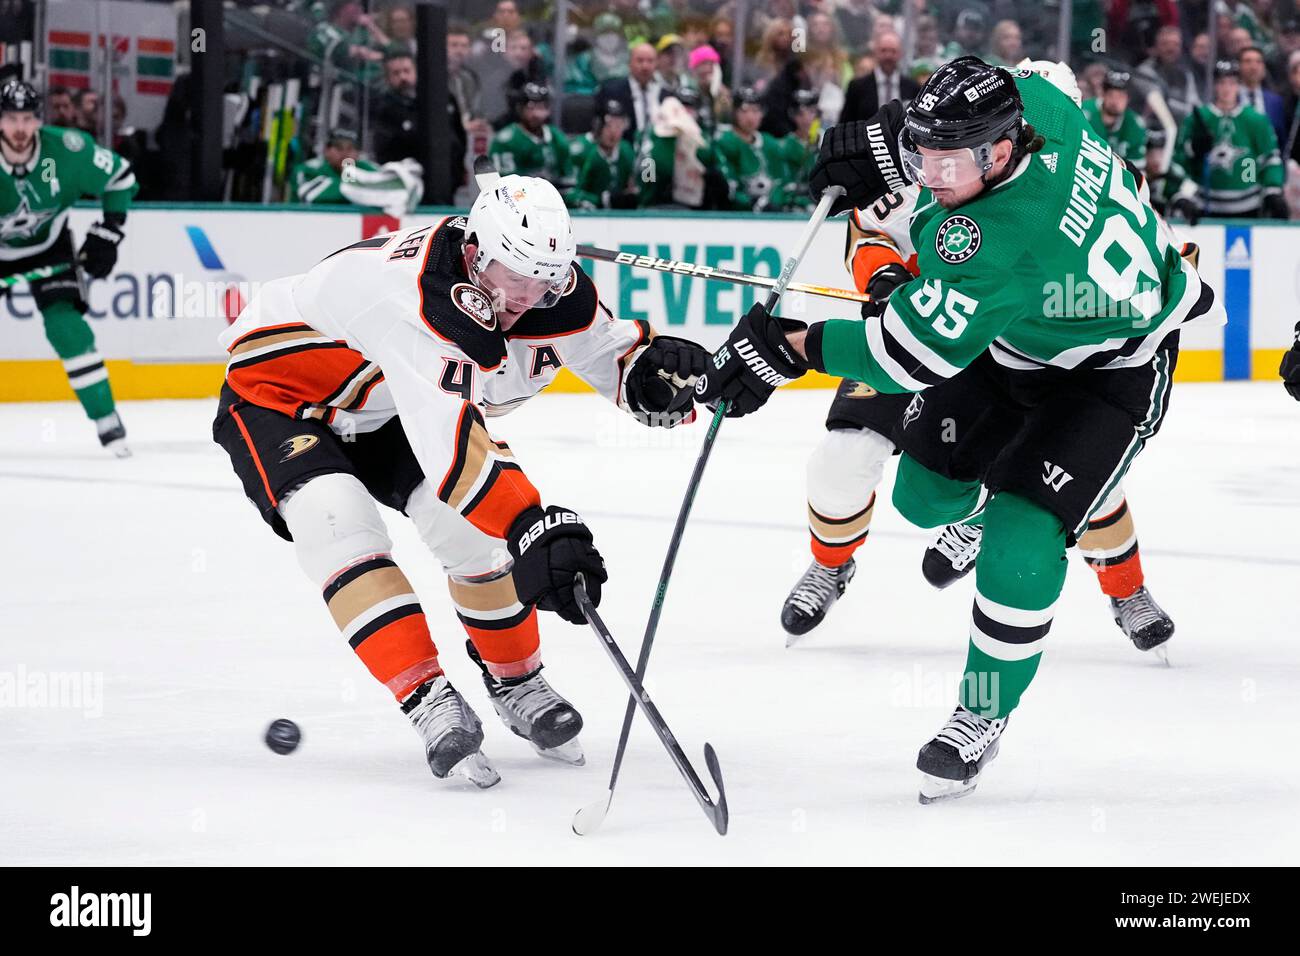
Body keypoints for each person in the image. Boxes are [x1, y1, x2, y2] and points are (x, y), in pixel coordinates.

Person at [700, 58, 1223, 802]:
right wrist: (885, 143)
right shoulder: (1038, 105)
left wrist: (789, 348)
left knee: (1021, 534)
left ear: (1002, 152)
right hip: (1016, 338)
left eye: (947, 160)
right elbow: (992, 84)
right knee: (922, 498)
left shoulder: (995, 239)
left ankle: (980, 714)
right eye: (923, 154)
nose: (929, 173)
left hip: (1112, 370)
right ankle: (977, 511)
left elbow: (900, 355)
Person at [212, 175, 708, 786]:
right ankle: (426, 697)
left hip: (386, 401)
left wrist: (651, 376)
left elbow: (606, 352)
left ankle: (517, 680)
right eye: (516, 277)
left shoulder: (544, 289)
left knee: (473, 538)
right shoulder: (414, 299)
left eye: (544, 279)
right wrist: (534, 524)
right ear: (474, 251)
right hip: (279, 400)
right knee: (336, 523)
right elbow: (454, 453)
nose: (529, 296)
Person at [780, 62, 1179, 656]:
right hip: (915, 324)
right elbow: (868, 230)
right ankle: (830, 563)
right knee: (842, 459)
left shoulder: (1079, 170)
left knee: (1069, 474)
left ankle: (1122, 584)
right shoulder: (930, 143)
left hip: (995, 339)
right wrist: (887, 275)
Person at [0, 80, 137, 455]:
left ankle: (108, 422)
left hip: (49, 246)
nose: (20, 128)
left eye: (27, 118)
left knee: (67, 328)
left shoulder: (65, 150)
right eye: (11, 118)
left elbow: (121, 177)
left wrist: (109, 231)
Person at [1166, 60, 1286, 220]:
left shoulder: (1255, 120)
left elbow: (1270, 158)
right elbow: (1180, 159)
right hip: (1204, 203)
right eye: (1222, 83)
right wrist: (1181, 194)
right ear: (1215, 85)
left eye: (1232, 83)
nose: (1227, 88)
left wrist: (1272, 190)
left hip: (1249, 204)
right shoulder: (1198, 118)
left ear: (1239, 86)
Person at [291, 128, 423, 214]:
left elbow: (389, 183)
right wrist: (364, 186)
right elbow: (311, 195)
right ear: (326, 151)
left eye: (350, 148)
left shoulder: (364, 167)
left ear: (358, 153)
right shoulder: (309, 169)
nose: (344, 153)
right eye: (338, 147)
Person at [715, 87, 798, 212]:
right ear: (734, 112)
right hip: (737, 216)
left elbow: (782, 182)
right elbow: (729, 187)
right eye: (744, 111)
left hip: (773, 215)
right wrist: (754, 204)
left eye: (755, 111)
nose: (750, 117)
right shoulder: (725, 141)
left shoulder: (770, 143)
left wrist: (777, 202)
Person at [489, 83, 570, 187]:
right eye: (530, 108)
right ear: (520, 109)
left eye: (541, 107)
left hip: (552, 196)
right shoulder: (505, 141)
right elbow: (503, 182)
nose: (536, 114)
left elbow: (568, 177)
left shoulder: (557, 138)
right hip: (518, 198)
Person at [566, 99, 638, 209]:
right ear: (597, 125)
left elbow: (632, 187)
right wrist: (600, 200)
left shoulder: (626, 149)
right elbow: (569, 192)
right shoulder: (580, 149)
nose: (613, 132)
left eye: (618, 125)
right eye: (608, 125)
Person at [840, 32, 918, 125]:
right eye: (883, 50)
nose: (888, 56)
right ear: (875, 53)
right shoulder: (857, 87)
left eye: (893, 51)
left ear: (900, 54)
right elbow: (845, 123)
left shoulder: (913, 88)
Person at [597, 43, 661, 151]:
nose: (645, 66)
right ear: (629, 63)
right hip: (624, 155)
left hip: (656, 158)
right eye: (640, 60)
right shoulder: (611, 91)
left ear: (656, 64)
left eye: (650, 61)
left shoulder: (666, 95)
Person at [1082, 70, 1149, 172]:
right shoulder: (1084, 112)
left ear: (1128, 99)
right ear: (1103, 94)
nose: (1115, 101)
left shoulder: (1136, 126)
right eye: (1111, 94)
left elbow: (1137, 172)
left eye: (1121, 96)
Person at [1137, 25, 1201, 126]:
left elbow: (1195, 106)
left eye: (1175, 44)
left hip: (1179, 128)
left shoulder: (1185, 74)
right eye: (1165, 44)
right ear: (1156, 47)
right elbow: (1159, 105)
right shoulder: (1144, 72)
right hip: (1148, 129)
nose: (1171, 49)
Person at [566, 12, 630, 95]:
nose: (610, 37)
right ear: (596, 35)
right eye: (604, 32)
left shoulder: (627, 58)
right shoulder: (584, 59)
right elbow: (574, 86)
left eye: (614, 32)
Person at [1238, 45, 1289, 145]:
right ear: (1239, 66)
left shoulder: (1276, 102)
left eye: (1258, 62)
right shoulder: (1229, 98)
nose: (1253, 67)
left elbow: (1282, 139)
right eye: (1248, 61)